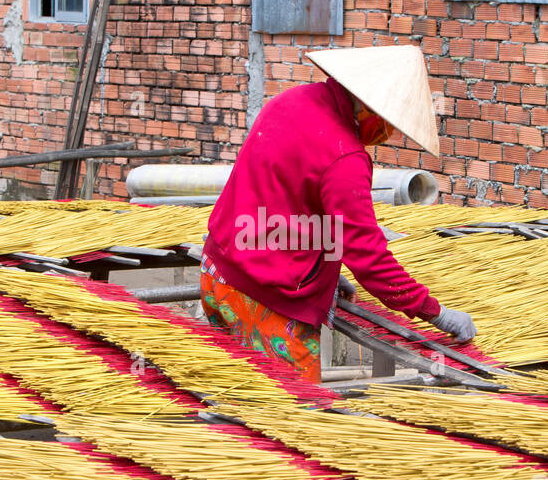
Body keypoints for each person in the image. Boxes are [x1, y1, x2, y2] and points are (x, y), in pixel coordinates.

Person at [200, 44, 476, 382]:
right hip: (264, 302)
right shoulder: (345, 158)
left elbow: (281, 200)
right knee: (294, 420)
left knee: (236, 398)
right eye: (389, 123)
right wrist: (436, 313)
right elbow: (369, 258)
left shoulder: (291, 101)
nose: (388, 134)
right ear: (371, 109)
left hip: (216, 274)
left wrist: (324, 269)